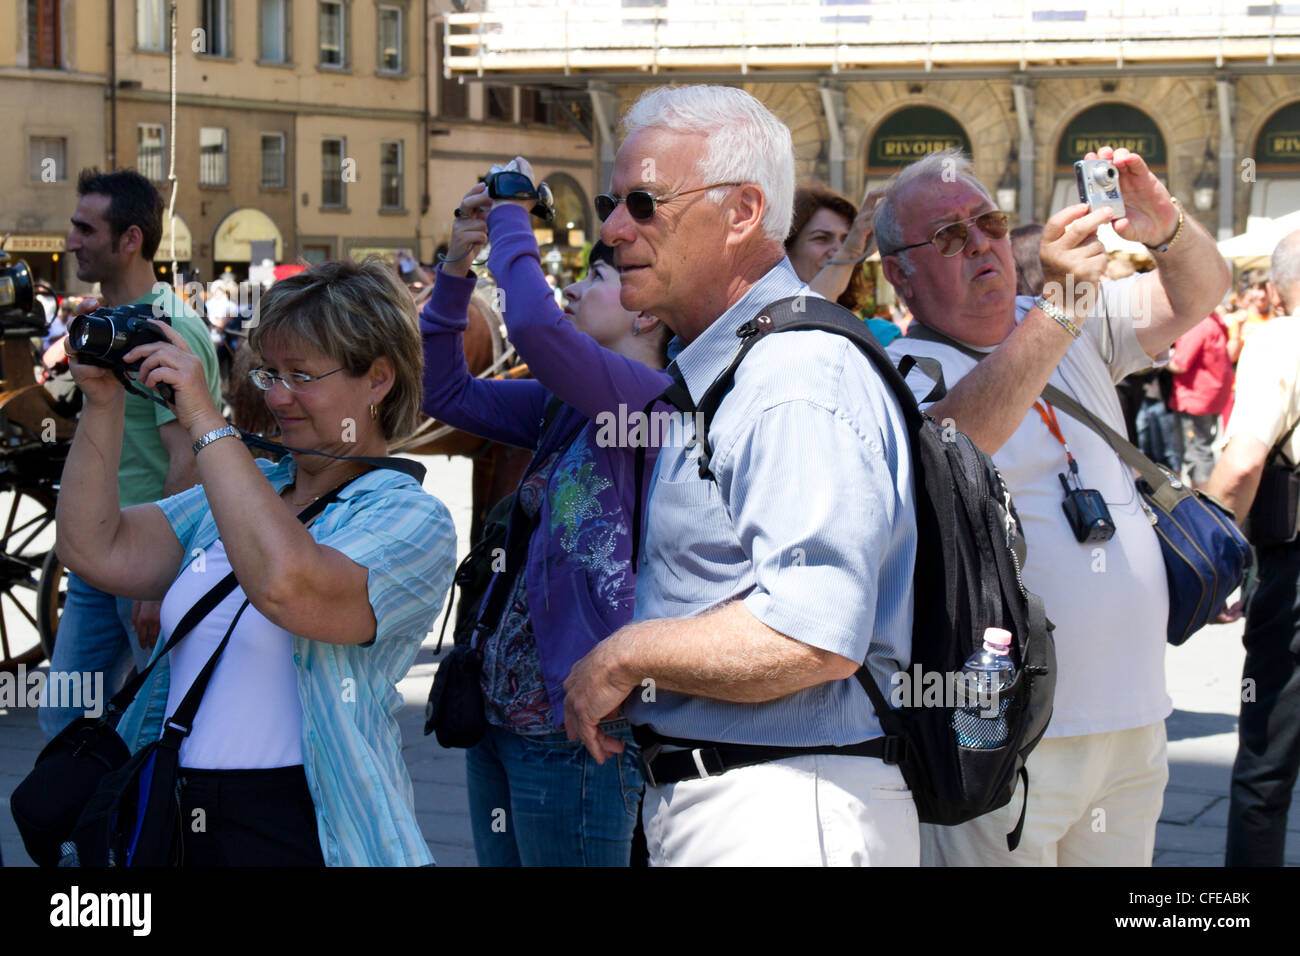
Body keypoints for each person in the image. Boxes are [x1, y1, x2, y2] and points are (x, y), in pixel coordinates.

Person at [562, 84, 919, 867]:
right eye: (610, 201)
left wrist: (624, 655)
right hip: (752, 800)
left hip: (782, 811)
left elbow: (812, 631)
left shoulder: (791, 374)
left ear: (744, 212)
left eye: (645, 203)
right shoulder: (747, 364)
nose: (614, 228)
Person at [881, 146, 1230, 866]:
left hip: (1132, 715)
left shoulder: (1057, 318)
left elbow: (1199, 293)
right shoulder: (898, 372)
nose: (981, 243)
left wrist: (1163, 227)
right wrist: (1062, 309)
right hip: (1001, 736)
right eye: (950, 236)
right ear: (899, 273)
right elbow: (955, 448)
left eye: (988, 221)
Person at [56, 258, 456, 866]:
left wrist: (203, 420)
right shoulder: (254, 485)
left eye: (301, 375)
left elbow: (288, 586)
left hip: (304, 823)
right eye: (272, 372)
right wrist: (103, 404)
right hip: (177, 811)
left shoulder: (412, 518)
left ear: (378, 379)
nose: (277, 397)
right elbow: (95, 548)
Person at [421, 162, 672, 866]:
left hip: (576, 731)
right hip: (500, 716)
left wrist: (512, 211)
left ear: (646, 311)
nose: (576, 289)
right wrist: (457, 265)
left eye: (596, 279)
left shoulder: (648, 404)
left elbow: (531, 322)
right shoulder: (567, 405)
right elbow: (445, 394)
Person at [40, 168, 223, 740]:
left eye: (84, 229)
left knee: (151, 727)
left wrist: (159, 583)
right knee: (63, 718)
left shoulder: (164, 327)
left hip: (147, 561)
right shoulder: (109, 321)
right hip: (101, 556)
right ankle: (82, 831)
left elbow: (188, 456)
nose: (71, 241)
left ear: (130, 240)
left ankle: (129, 829)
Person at [1206, 228, 1300, 866]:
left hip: (1294, 577)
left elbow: (1242, 464)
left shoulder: (1279, 339)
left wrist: (1210, 563)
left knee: (1268, 767)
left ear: (1272, 290)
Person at [784, 184, 898, 345]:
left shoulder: (878, 336)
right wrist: (848, 253)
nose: (838, 251)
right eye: (821, 238)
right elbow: (799, 317)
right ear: (786, 250)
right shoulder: (762, 324)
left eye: (846, 240)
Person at [1167, 310, 1234, 485]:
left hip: (1196, 398)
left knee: (1197, 453)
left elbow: (1179, 364)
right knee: (1202, 449)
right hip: (1209, 396)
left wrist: (1156, 358)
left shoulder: (1199, 324)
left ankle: (1204, 501)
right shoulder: (1214, 321)